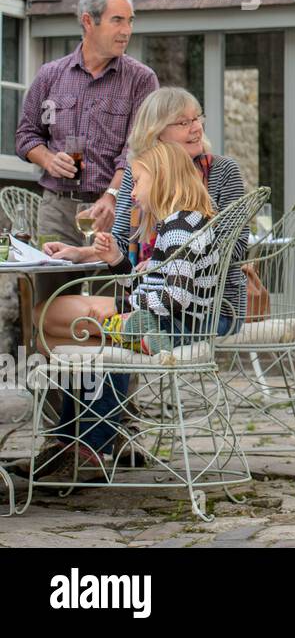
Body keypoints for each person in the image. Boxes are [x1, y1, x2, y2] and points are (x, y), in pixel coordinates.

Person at [25, 141, 227, 479]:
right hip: (167, 320)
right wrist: (117, 261)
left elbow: (174, 297)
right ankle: (81, 440)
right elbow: (159, 288)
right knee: (59, 334)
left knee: (51, 326)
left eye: (138, 182)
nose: (132, 193)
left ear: (162, 179)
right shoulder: (182, 221)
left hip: (166, 326)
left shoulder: (177, 227)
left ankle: (84, 441)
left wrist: (123, 308)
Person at [44, 87, 249, 338]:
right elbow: (121, 241)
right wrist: (80, 253)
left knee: (55, 316)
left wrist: (163, 260)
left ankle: (122, 344)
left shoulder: (222, 171)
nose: (196, 127)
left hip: (210, 307)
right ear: (157, 133)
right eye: (184, 122)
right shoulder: (137, 171)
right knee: (53, 320)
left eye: (197, 118)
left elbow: (236, 247)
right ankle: (121, 349)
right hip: (149, 292)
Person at [15, 0, 158, 302]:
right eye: (117, 20)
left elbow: (138, 148)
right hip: (58, 208)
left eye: (130, 20)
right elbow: (25, 135)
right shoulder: (50, 74)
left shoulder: (141, 79)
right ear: (88, 22)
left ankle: (104, 355)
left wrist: (112, 196)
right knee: (49, 302)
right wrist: (48, 159)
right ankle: (47, 355)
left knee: (109, 303)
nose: (126, 30)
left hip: (115, 210)